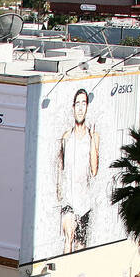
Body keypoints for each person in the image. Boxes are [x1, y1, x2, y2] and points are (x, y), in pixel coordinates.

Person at [56, 88, 100, 254]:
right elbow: (60, 167)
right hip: (69, 199)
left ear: (87, 107)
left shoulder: (93, 136)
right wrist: (59, 194)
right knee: (68, 238)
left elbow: (94, 170)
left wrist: (94, 143)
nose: (80, 108)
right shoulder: (66, 136)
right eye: (77, 104)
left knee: (81, 247)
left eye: (84, 103)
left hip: (85, 202)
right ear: (73, 107)